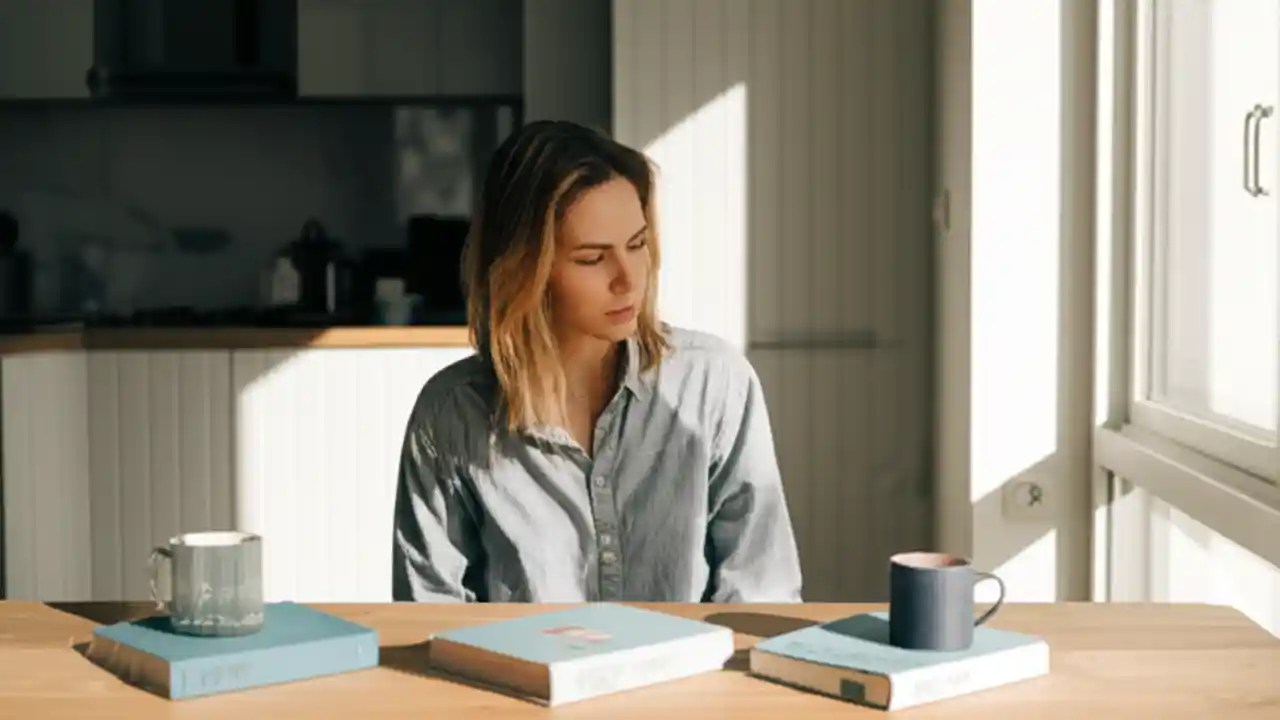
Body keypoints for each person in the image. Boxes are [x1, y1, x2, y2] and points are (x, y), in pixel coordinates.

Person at [391, 120, 802, 603]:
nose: (629, 279)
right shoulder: (450, 415)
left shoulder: (713, 384)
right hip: (518, 679)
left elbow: (761, 593)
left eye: (637, 244)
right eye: (592, 258)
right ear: (526, 268)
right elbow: (429, 616)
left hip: (690, 679)